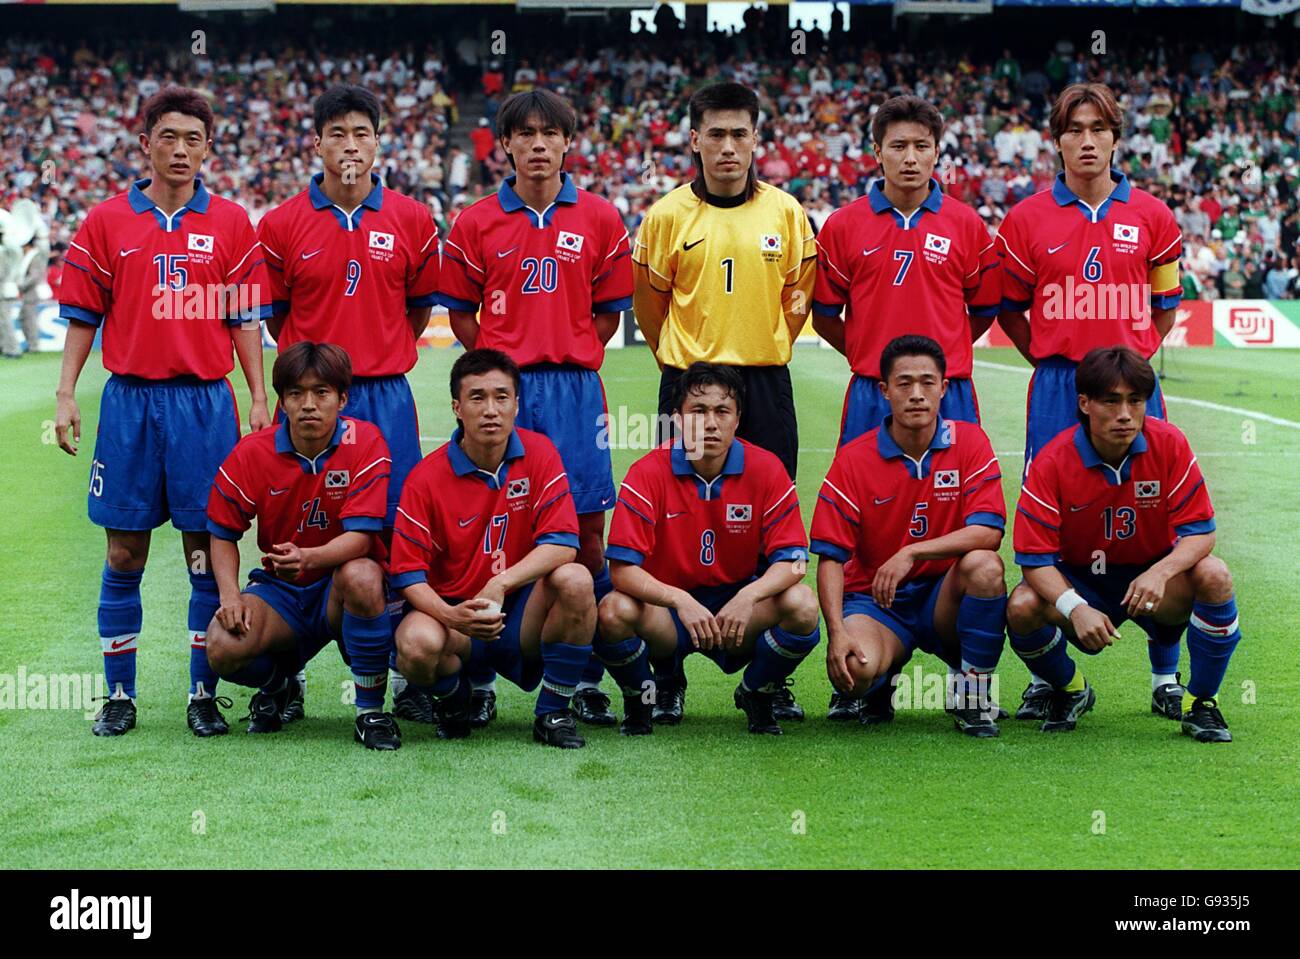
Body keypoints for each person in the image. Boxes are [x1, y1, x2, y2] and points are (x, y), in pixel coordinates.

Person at [54, 87, 272, 738]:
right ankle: (118, 696)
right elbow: (83, 316)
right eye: (168, 137)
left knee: (206, 552)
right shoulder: (105, 221)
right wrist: (66, 392)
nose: (181, 150)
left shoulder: (232, 222)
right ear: (144, 142)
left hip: (205, 404)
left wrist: (259, 393)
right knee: (124, 553)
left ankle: (201, 695)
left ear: (208, 148)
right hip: (130, 405)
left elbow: (245, 318)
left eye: (194, 139)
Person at [440, 88, 633, 729]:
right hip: (507, 393)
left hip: (575, 393)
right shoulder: (475, 222)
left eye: (551, 133)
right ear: (507, 145)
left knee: (586, 537)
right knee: (488, 529)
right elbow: (461, 314)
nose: (539, 144)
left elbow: (607, 315)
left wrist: (564, 354)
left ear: (568, 143)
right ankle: (480, 672)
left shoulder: (602, 218)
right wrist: (502, 370)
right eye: (526, 134)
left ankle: (580, 676)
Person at [995, 82, 1184, 719]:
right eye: (1073, 129)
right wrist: (1055, 365)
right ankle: (1056, 677)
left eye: (1097, 128)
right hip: (1057, 388)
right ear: (1057, 140)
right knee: (1051, 523)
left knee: (1153, 522)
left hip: (1132, 391)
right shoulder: (1025, 219)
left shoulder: (1153, 216)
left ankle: (1165, 677)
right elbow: (1010, 309)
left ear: (1114, 137)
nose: (1086, 140)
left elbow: (1166, 306)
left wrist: (1130, 368)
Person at [811, 95, 999, 721]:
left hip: (950, 391)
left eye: (922, 146)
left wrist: (932, 374)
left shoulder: (968, 225)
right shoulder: (843, 225)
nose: (910, 157)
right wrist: (873, 362)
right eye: (898, 146)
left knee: (965, 523)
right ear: (876, 153)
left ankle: (968, 673)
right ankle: (876, 668)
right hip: (871, 390)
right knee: (862, 523)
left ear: (937, 153)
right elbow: (825, 313)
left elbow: (986, 308)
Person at [632, 80, 815, 722]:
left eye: (741, 133)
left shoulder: (788, 214)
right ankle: (668, 671)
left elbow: (798, 302)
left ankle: (766, 679)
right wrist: (683, 369)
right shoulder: (665, 216)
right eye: (716, 133)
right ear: (695, 140)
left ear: (757, 139)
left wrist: (758, 347)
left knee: (770, 522)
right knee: (671, 519)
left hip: (764, 383)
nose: (729, 146)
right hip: (688, 382)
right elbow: (650, 310)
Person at [256, 84, 440, 715]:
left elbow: (417, 312)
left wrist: (375, 358)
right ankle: (285, 671)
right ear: (317, 143)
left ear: (379, 141)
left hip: (387, 397)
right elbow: (278, 319)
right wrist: (320, 383)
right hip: (312, 401)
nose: (351, 145)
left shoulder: (413, 219)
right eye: (338, 134)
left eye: (362, 133)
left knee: (395, 536)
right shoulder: (280, 223)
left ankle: (405, 674)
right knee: (301, 529)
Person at [1008, 347, 1242, 741]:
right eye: (1111, 401)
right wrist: (1075, 607)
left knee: (1215, 575)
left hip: (1152, 577)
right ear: (1084, 403)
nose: (1124, 414)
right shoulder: (1052, 461)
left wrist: (1161, 571)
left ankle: (1200, 702)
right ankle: (1071, 687)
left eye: (1135, 401)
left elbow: (1201, 531)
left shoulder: (1168, 443)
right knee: (1021, 606)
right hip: (1083, 579)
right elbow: (1034, 558)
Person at [596, 363, 820, 735]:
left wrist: (749, 596)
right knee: (612, 610)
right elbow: (621, 570)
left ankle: (757, 691)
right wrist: (679, 600)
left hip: (736, 614)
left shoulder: (767, 469)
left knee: (803, 604)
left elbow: (795, 562)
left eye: (722, 411)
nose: (711, 423)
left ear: (737, 419)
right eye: (699, 411)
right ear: (678, 419)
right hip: (669, 614)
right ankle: (644, 695)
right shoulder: (647, 472)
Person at [389, 349, 597, 749]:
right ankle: (455, 700)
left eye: (502, 397)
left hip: (522, 616)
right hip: (456, 619)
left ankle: (553, 710)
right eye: (477, 397)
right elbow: (407, 575)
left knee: (576, 579)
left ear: (517, 404)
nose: (491, 410)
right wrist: (451, 614)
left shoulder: (540, 453)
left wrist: (501, 584)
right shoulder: (425, 478)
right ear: (456, 407)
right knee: (415, 646)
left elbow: (563, 543)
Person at [810, 336, 1009, 737]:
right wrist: (837, 633)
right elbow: (831, 557)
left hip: (943, 600)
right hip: (877, 602)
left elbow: (989, 532)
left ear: (944, 388)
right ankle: (880, 684)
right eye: (904, 384)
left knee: (985, 568)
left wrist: (913, 552)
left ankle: (974, 694)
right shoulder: (854, 458)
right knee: (854, 670)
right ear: (884, 391)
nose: (916, 395)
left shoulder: (969, 441)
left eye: (927, 383)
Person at [204, 342, 400, 749]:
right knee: (222, 645)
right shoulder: (253, 452)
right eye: (296, 393)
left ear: (343, 398)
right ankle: (280, 687)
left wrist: (309, 557)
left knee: (363, 575)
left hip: (338, 588)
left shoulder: (365, 442)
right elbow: (222, 532)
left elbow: (363, 537)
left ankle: (370, 712)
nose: (309, 404)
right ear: (282, 401)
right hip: (283, 592)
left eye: (322, 392)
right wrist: (229, 596)